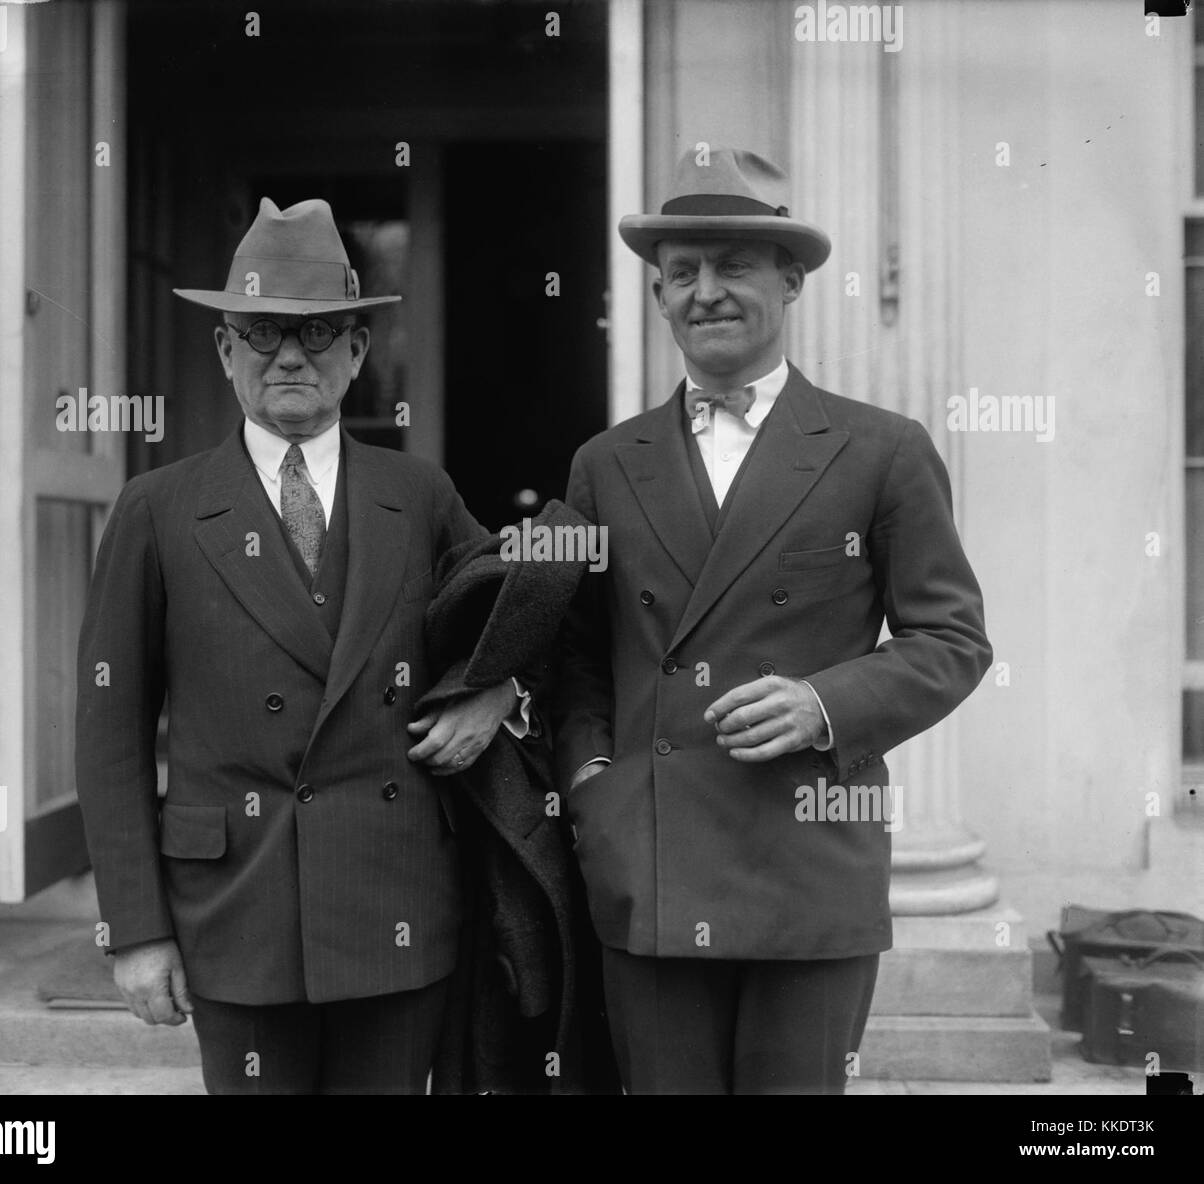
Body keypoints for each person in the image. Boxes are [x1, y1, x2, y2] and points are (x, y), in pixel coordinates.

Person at [552, 148, 993, 1094]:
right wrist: (594, 786)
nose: (706, 292)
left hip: (807, 866)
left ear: (790, 281)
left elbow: (952, 640)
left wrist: (824, 704)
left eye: (734, 266)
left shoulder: (881, 450)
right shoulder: (604, 462)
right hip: (655, 869)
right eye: (682, 273)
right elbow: (580, 657)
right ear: (660, 297)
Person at [75, 196, 525, 1094]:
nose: (290, 356)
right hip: (234, 908)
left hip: (394, 904)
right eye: (261, 332)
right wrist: (137, 928)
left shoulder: (419, 493)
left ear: (358, 353)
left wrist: (497, 692)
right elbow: (109, 730)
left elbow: (517, 617)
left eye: (318, 333)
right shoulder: (156, 509)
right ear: (225, 349)